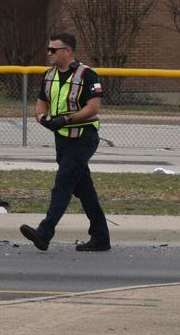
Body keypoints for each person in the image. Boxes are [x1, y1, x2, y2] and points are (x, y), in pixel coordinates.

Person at [19, 32, 112, 252]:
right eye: (48, 49)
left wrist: (66, 119)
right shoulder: (48, 75)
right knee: (85, 190)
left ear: (67, 51)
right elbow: (41, 104)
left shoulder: (87, 74)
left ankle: (45, 232)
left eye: (53, 50)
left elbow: (93, 107)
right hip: (62, 140)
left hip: (83, 138)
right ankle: (101, 237)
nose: (49, 53)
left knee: (63, 183)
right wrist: (43, 119)